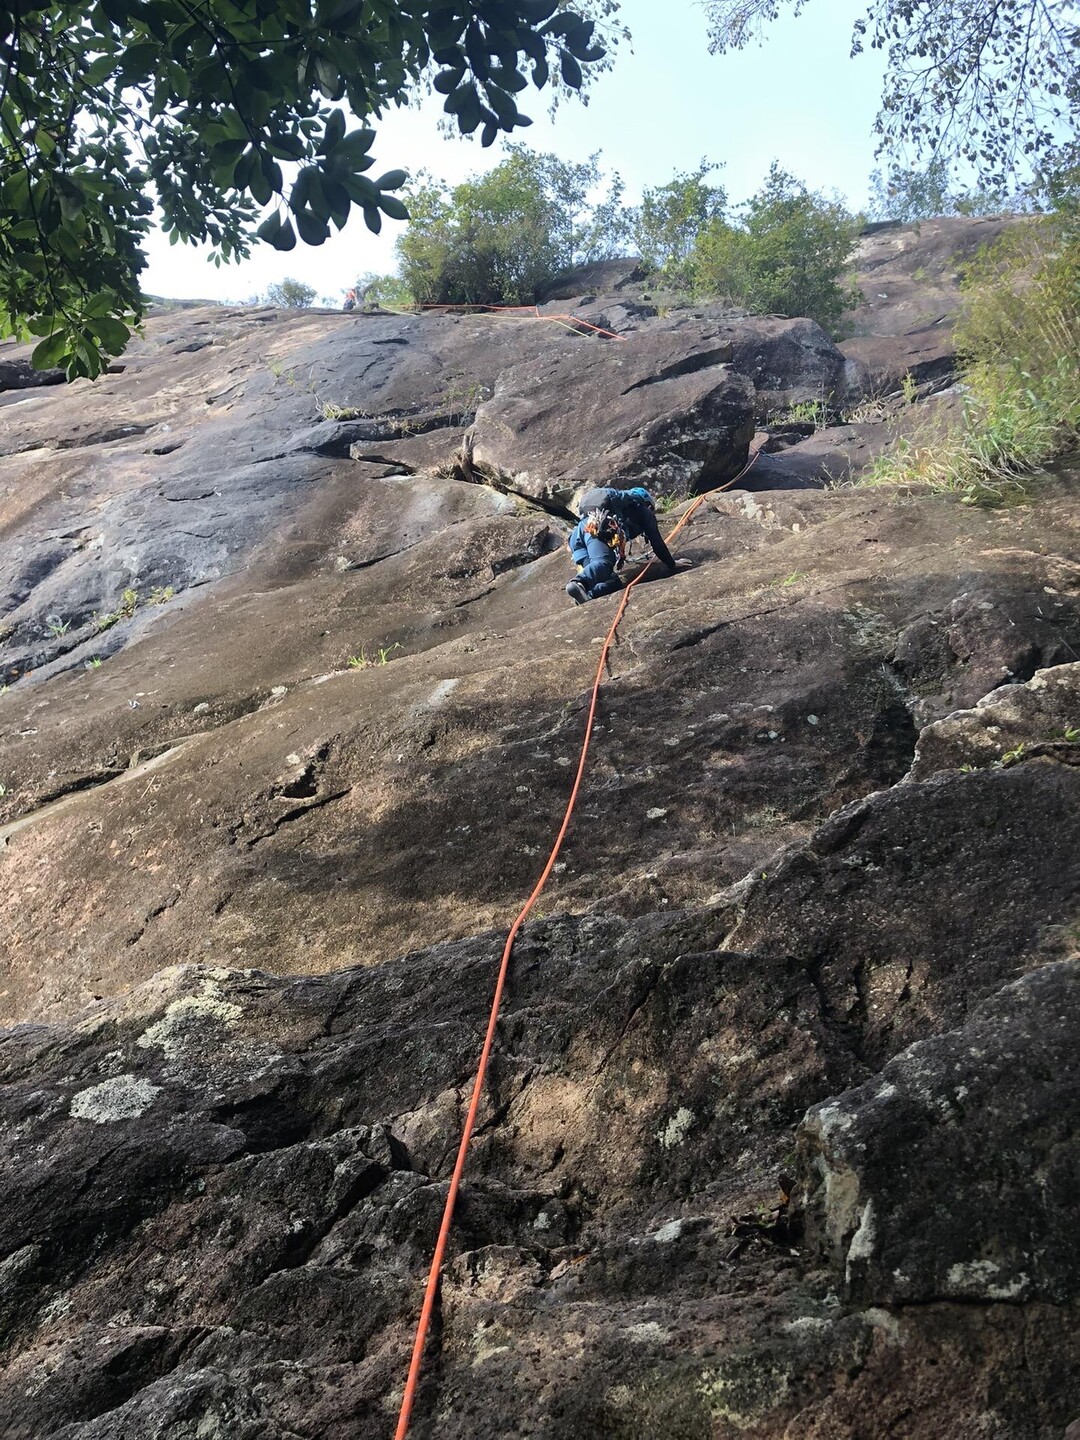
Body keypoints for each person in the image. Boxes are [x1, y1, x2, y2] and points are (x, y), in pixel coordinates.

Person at [565, 485, 691, 604]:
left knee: (612, 581)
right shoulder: (643, 512)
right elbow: (657, 543)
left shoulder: (618, 509)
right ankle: (579, 582)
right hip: (597, 525)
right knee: (604, 562)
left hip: (579, 534)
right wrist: (672, 564)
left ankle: (586, 593)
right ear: (646, 503)